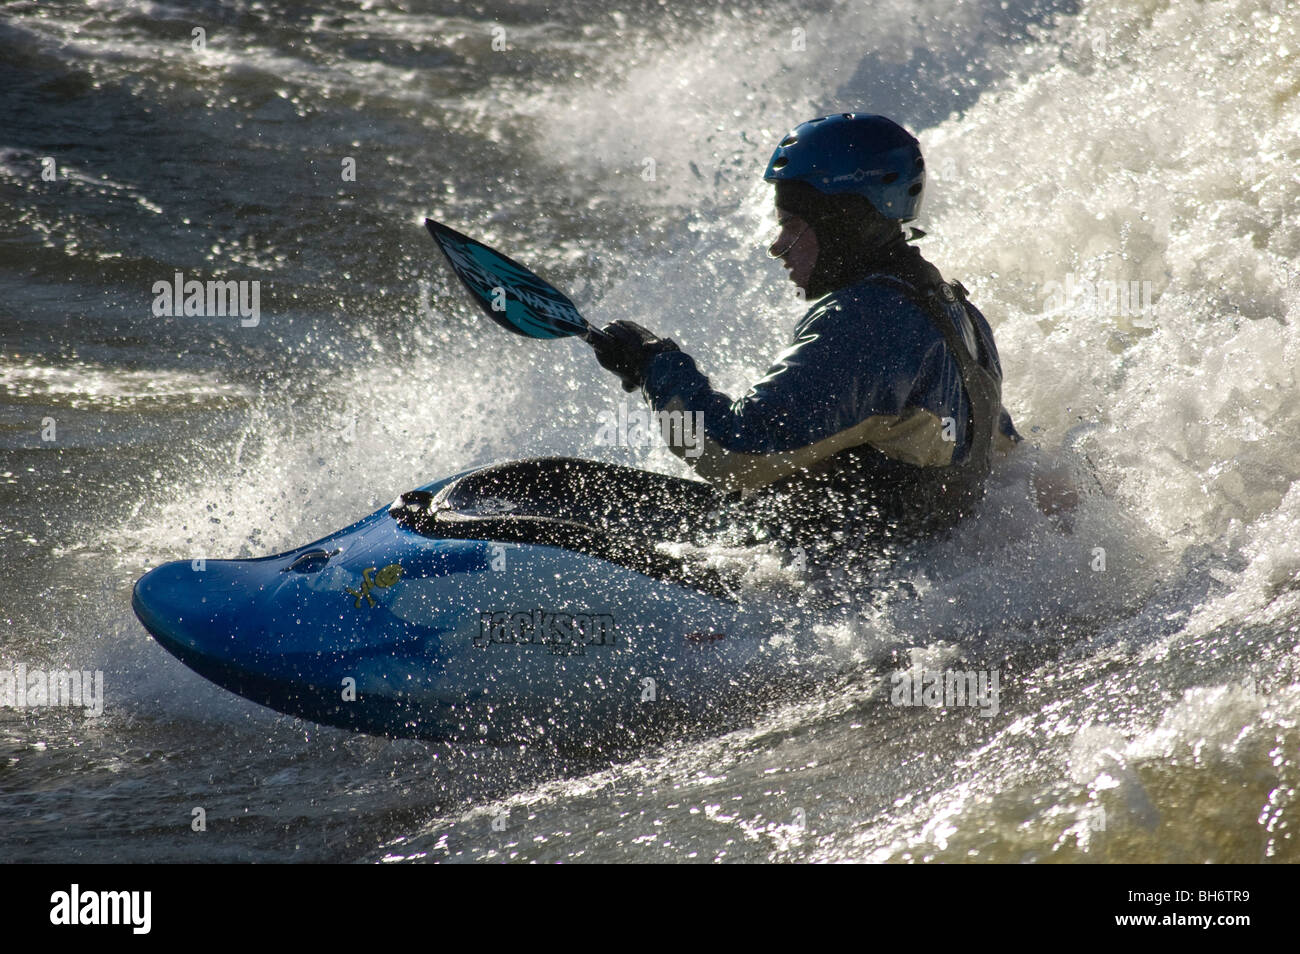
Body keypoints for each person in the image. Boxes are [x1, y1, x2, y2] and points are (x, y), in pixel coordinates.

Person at [591, 113, 1020, 564]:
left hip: (828, 598)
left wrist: (655, 369)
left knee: (527, 490)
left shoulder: (865, 324)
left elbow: (733, 453)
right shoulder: (955, 310)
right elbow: (1005, 451)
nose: (778, 246)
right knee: (534, 481)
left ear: (843, 221)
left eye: (792, 225)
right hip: (917, 577)